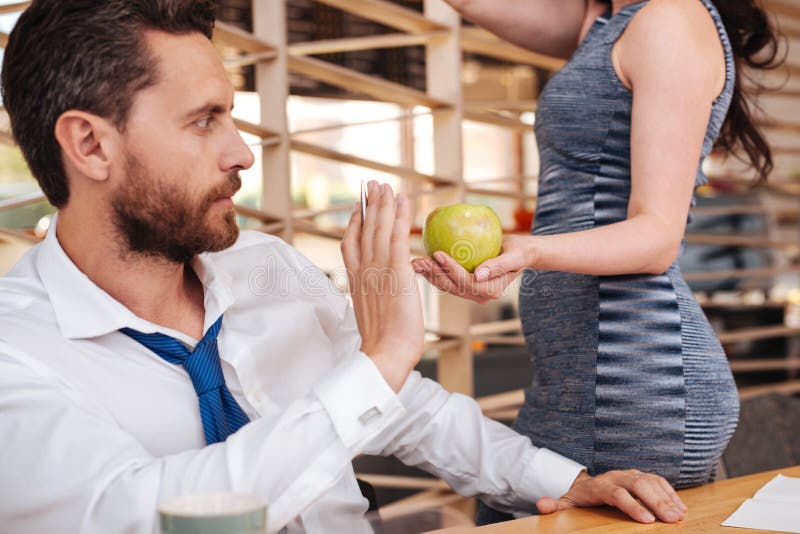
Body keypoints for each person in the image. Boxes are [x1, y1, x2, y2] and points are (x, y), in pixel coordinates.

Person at [0, 1, 689, 533]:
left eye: (232, 117)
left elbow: (407, 411)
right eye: (204, 121)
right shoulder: (16, 355)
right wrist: (380, 358)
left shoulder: (265, 269)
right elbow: (150, 515)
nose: (242, 153)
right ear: (90, 144)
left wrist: (561, 480)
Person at [412, 0, 781, 526]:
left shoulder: (671, 17)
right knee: (503, 508)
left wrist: (532, 250)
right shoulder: (605, 18)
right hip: (578, 369)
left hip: (631, 374)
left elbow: (657, 237)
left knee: (504, 514)